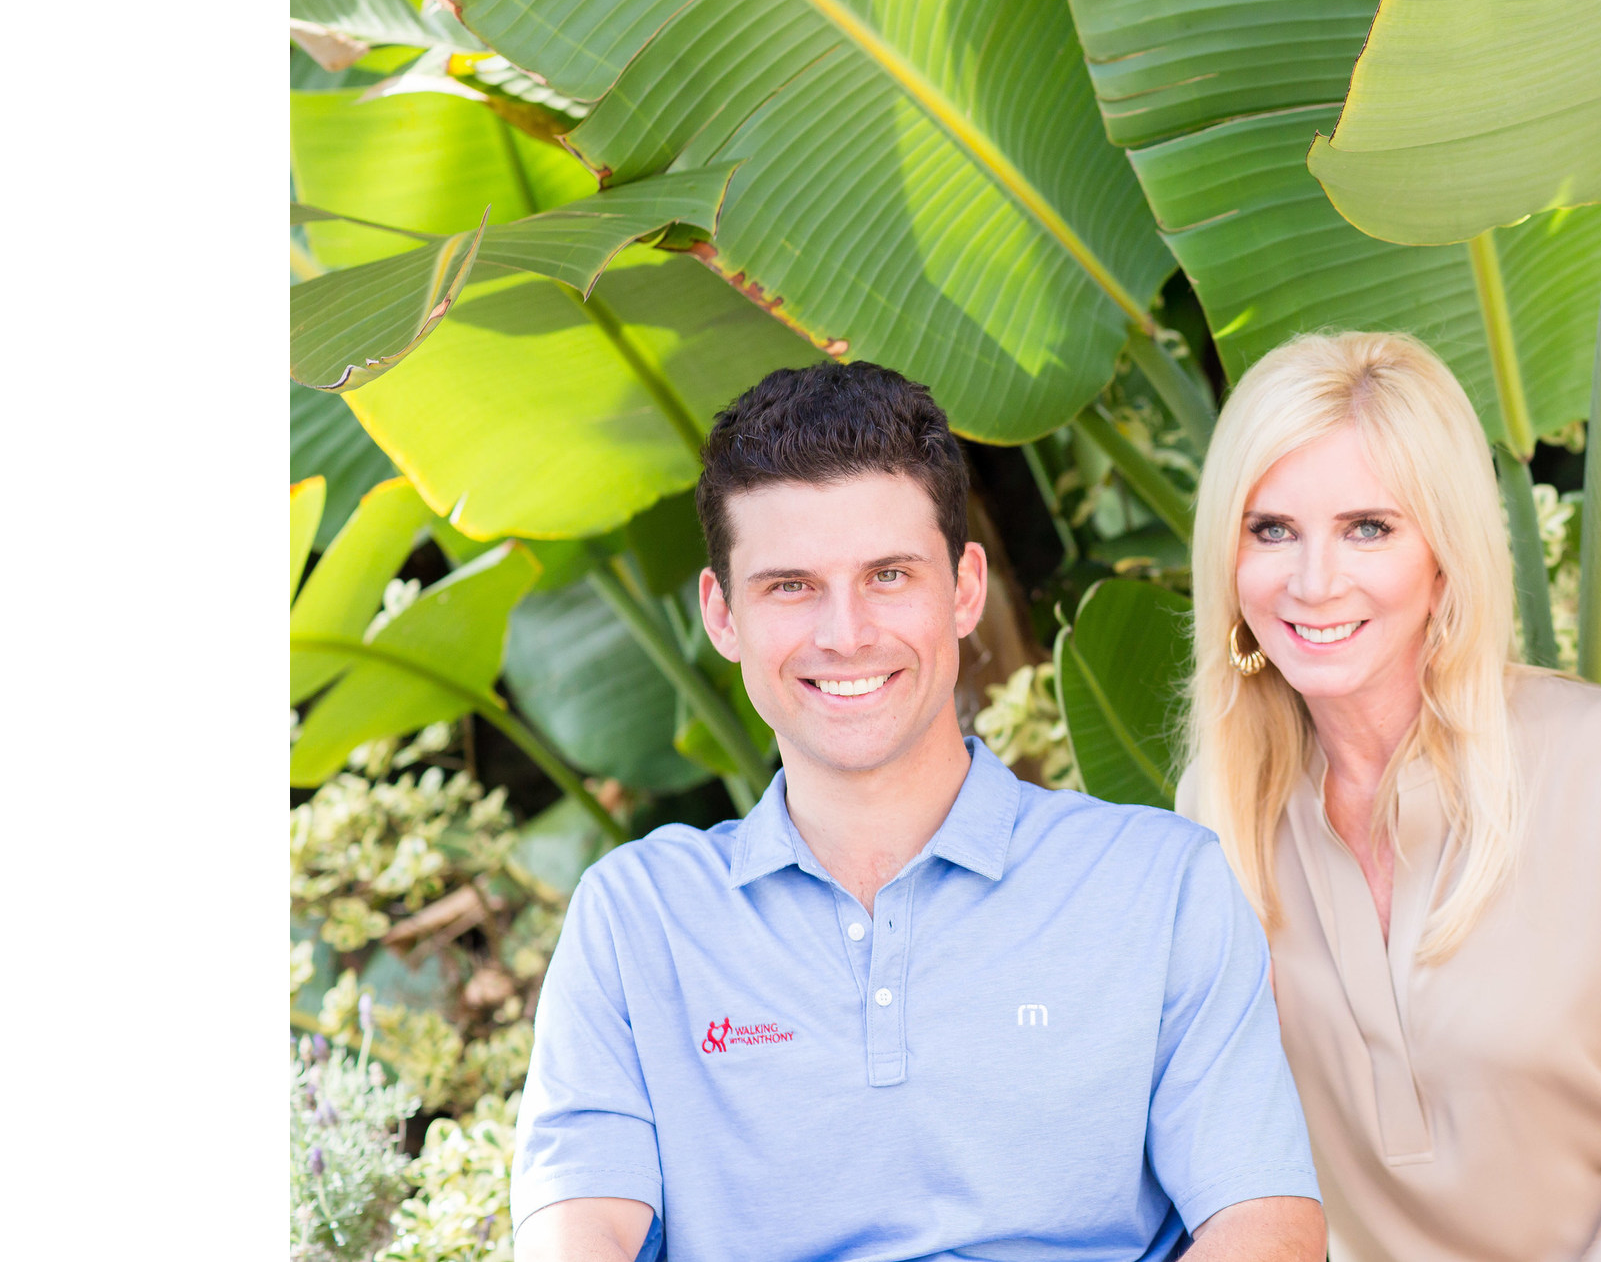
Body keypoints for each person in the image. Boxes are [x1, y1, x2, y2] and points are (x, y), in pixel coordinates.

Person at [511, 362, 1324, 1262]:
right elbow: (574, 1233)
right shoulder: (638, 916)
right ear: (722, 612)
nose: (846, 632)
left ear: (965, 587)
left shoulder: (1160, 881)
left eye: (889, 575)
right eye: (790, 585)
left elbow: (1268, 1228)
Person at [1176, 332, 1601, 1262]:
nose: (1312, 581)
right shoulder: (1219, 810)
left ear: (1444, 556)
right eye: (1271, 529)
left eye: (1368, 527)